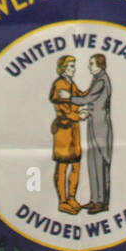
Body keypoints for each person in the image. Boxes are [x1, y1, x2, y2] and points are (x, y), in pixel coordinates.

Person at [70, 54, 113, 214]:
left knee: (100, 164)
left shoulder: (101, 80)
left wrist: (69, 98)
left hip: (100, 126)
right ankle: (95, 199)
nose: (89, 67)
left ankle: (102, 202)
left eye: (91, 64)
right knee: (93, 163)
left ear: (100, 65)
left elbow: (88, 98)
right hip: (93, 124)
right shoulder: (97, 79)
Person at [49, 55, 86, 215]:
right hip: (63, 131)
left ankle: (72, 197)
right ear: (63, 68)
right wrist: (79, 116)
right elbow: (63, 110)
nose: (73, 69)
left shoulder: (70, 83)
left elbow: (80, 96)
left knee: (76, 165)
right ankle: (62, 201)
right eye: (70, 66)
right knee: (63, 166)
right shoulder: (60, 84)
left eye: (73, 66)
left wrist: (96, 88)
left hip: (74, 131)